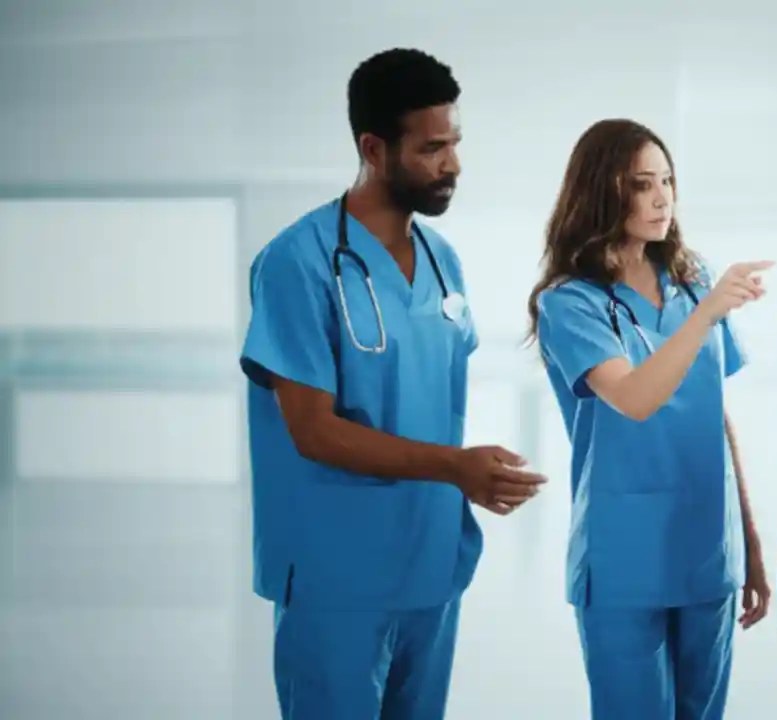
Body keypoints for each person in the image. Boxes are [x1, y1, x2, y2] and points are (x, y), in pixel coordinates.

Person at [239, 48, 546, 720]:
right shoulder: (299, 262)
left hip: (429, 570)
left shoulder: (444, 263)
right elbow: (312, 430)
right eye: (432, 148)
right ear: (374, 149)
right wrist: (455, 468)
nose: (453, 165)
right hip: (334, 578)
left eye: (455, 143)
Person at [526, 118, 774, 720]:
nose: (663, 198)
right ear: (602, 191)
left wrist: (751, 544)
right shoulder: (570, 302)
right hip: (622, 561)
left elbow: (716, 414)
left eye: (667, 181)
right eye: (643, 184)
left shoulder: (692, 280)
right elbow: (636, 399)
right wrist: (706, 315)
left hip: (707, 552)